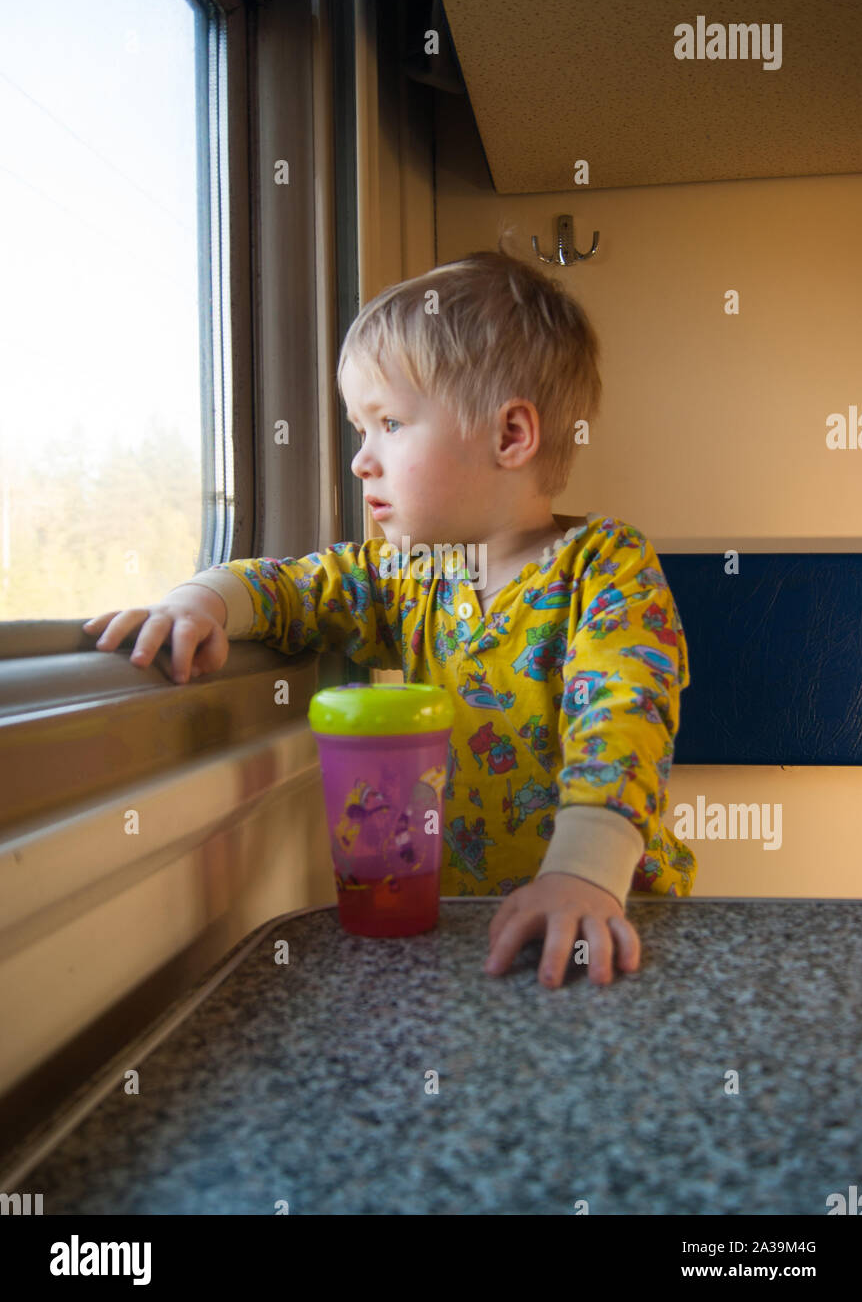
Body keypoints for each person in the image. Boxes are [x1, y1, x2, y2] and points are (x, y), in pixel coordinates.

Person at [84, 247, 695, 989]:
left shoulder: (604, 565)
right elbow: (296, 587)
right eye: (357, 430)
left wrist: (584, 873)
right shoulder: (410, 575)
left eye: (389, 424)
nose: (360, 462)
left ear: (510, 437)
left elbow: (622, 715)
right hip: (468, 928)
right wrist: (200, 601)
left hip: (605, 917)